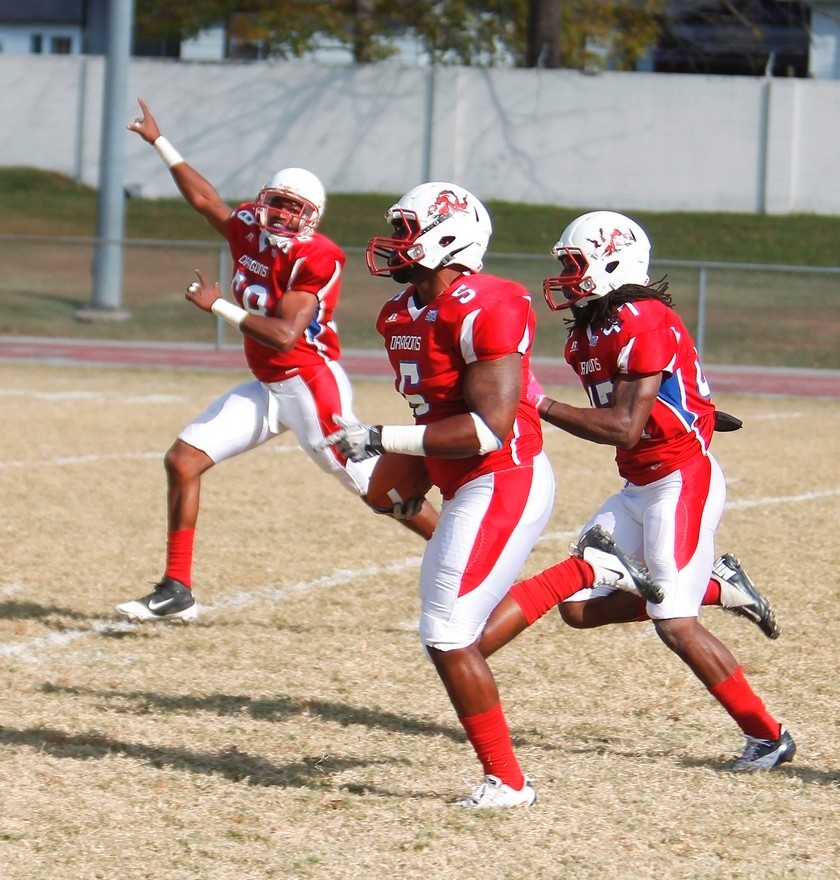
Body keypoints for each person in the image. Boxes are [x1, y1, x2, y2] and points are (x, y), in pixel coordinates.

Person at [318, 184, 662, 808]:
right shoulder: (400, 312)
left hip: (502, 474)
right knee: (383, 500)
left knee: (448, 633)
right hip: (458, 472)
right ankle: (585, 569)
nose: (395, 242)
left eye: (407, 228)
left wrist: (377, 434)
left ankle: (508, 782)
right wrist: (394, 473)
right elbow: (436, 411)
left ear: (448, 237)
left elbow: (486, 429)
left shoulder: (490, 303)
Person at [479, 210, 794, 772]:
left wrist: (538, 403)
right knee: (577, 609)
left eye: (576, 264)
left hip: (680, 479)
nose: (567, 276)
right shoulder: (588, 333)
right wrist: (696, 408)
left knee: (674, 623)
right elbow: (646, 402)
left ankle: (769, 735)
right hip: (639, 481)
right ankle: (715, 586)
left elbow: (624, 424)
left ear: (612, 262)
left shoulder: (642, 319)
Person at [115, 98, 437, 622]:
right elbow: (205, 200)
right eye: (279, 202)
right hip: (269, 386)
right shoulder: (248, 226)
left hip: (310, 384)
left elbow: (286, 336)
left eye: (295, 208)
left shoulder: (317, 255)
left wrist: (217, 304)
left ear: (311, 218)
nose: (283, 214)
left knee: (382, 491)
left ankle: (469, 562)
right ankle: (177, 589)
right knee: (183, 460)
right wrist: (159, 141)